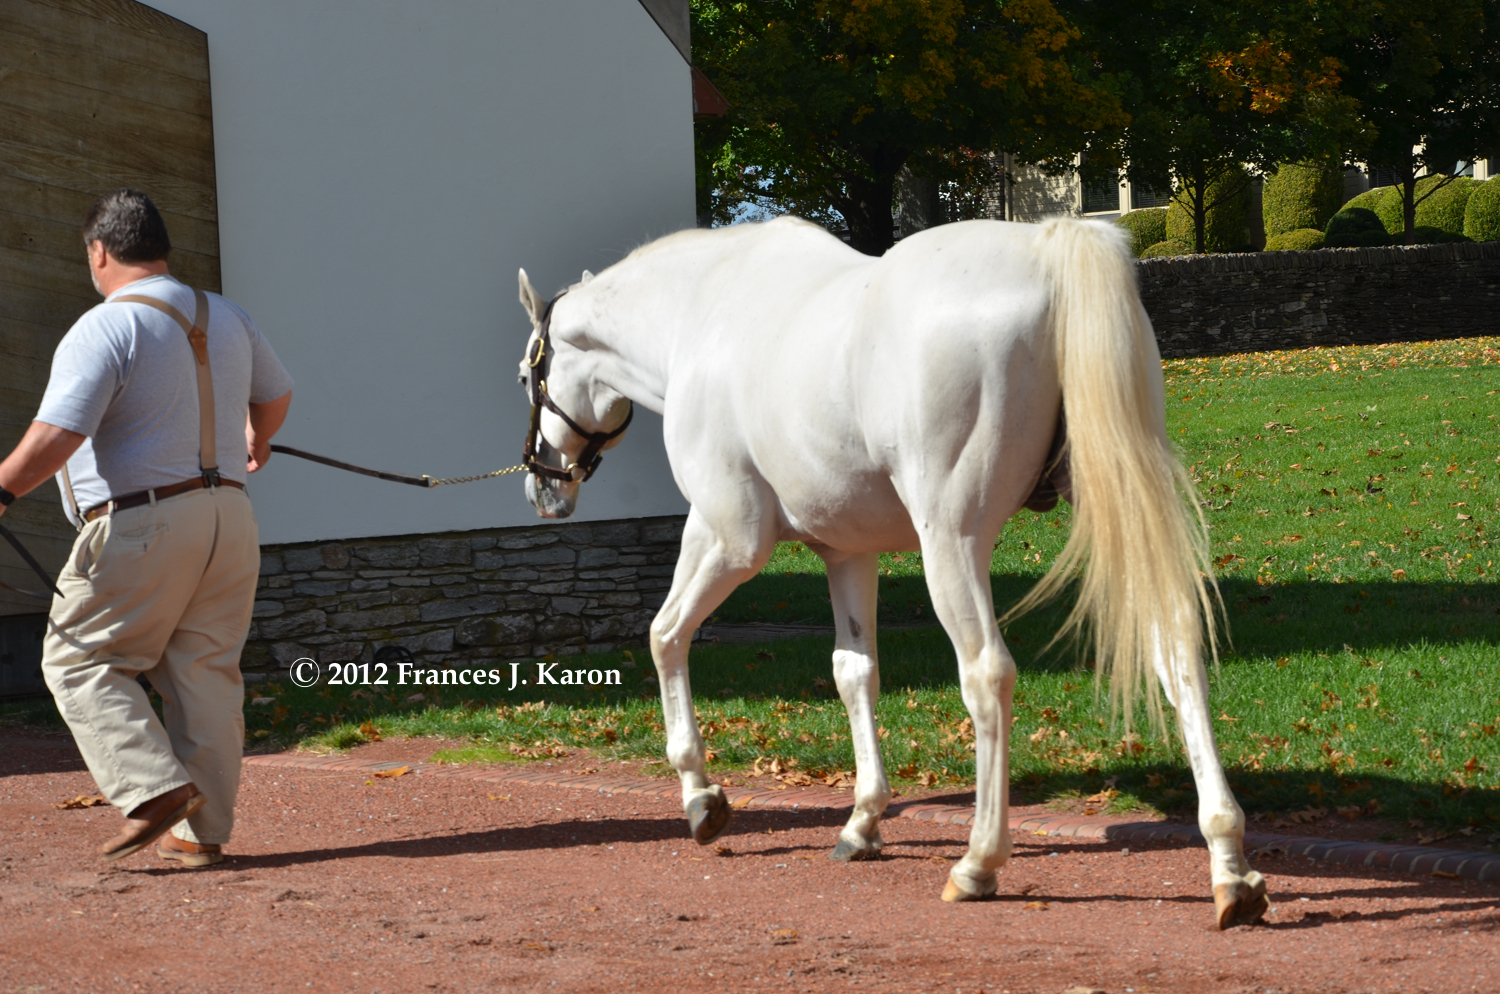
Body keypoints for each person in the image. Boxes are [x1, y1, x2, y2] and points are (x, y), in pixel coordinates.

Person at [0, 189, 293, 867]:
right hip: (229, 518)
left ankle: (154, 789)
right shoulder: (227, 316)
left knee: (77, 659)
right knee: (205, 675)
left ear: (99, 251)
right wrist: (258, 436)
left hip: (144, 522)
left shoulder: (104, 326)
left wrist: (5, 487)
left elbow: (59, 432)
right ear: (160, 247)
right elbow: (275, 396)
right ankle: (202, 836)